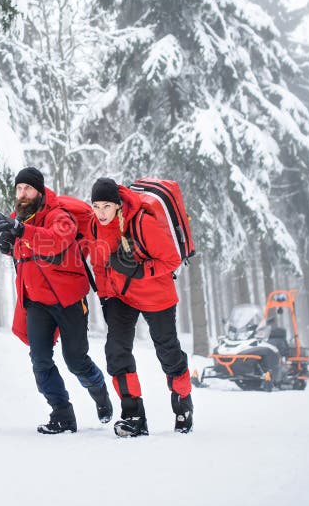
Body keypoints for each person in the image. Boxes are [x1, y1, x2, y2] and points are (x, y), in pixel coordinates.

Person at [0, 167, 112, 434]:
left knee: (75, 360)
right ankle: (62, 414)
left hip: (68, 300)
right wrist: (8, 244)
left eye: (28, 189)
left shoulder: (58, 215)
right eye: (19, 189)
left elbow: (56, 241)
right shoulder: (17, 219)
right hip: (36, 302)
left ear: (40, 192)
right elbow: (26, 254)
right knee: (40, 360)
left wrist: (20, 231)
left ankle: (99, 391)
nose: (23, 194)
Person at [87, 177, 193, 437]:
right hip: (121, 296)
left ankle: (183, 403)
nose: (101, 213)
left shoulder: (142, 222)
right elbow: (100, 265)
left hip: (156, 295)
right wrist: (105, 297)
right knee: (116, 351)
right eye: (96, 206)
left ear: (118, 205)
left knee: (168, 352)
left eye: (106, 206)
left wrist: (139, 270)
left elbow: (171, 259)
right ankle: (133, 415)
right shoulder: (95, 225)